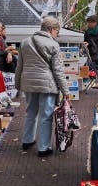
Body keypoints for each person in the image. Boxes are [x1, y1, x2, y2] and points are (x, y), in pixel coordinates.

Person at [15, 17, 69, 157]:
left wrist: (17, 84)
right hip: (46, 84)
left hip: (28, 83)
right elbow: (58, 70)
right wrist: (66, 91)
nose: (57, 34)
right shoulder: (53, 45)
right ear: (51, 29)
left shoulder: (25, 42)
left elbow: (19, 66)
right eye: (57, 31)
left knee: (30, 111)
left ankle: (27, 140)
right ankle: (43, 148)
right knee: (46, 115)